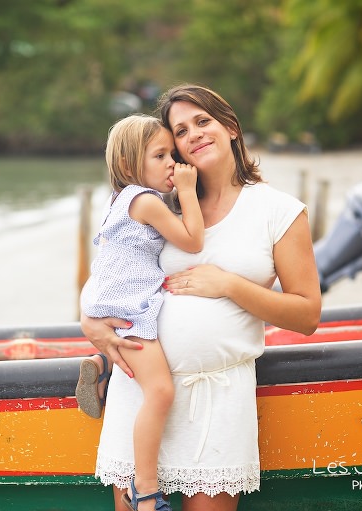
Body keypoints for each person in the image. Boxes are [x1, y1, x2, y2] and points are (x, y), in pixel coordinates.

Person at [80, 84, 322, 511]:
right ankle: (105, 368)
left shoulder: (278, 211)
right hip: (142, 391)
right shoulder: (161, 203)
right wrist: (91, 321)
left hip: (218, 399)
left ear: (230, 127)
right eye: (180, 130)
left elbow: (307, 315)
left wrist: (229, 285)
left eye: (202, 121)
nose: (193, 134)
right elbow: (116, 266)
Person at [76, 113, 205, 511]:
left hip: (114, 304)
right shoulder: (145, 201)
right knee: (161, 392)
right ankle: (145, 490)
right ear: (129, 165)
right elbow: (193, 240)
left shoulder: (118, 200)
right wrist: (188, 190)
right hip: (130, 313)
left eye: (172, 155)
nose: (172, 164)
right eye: (160, 156)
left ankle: (102, 364)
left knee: (146, 377)